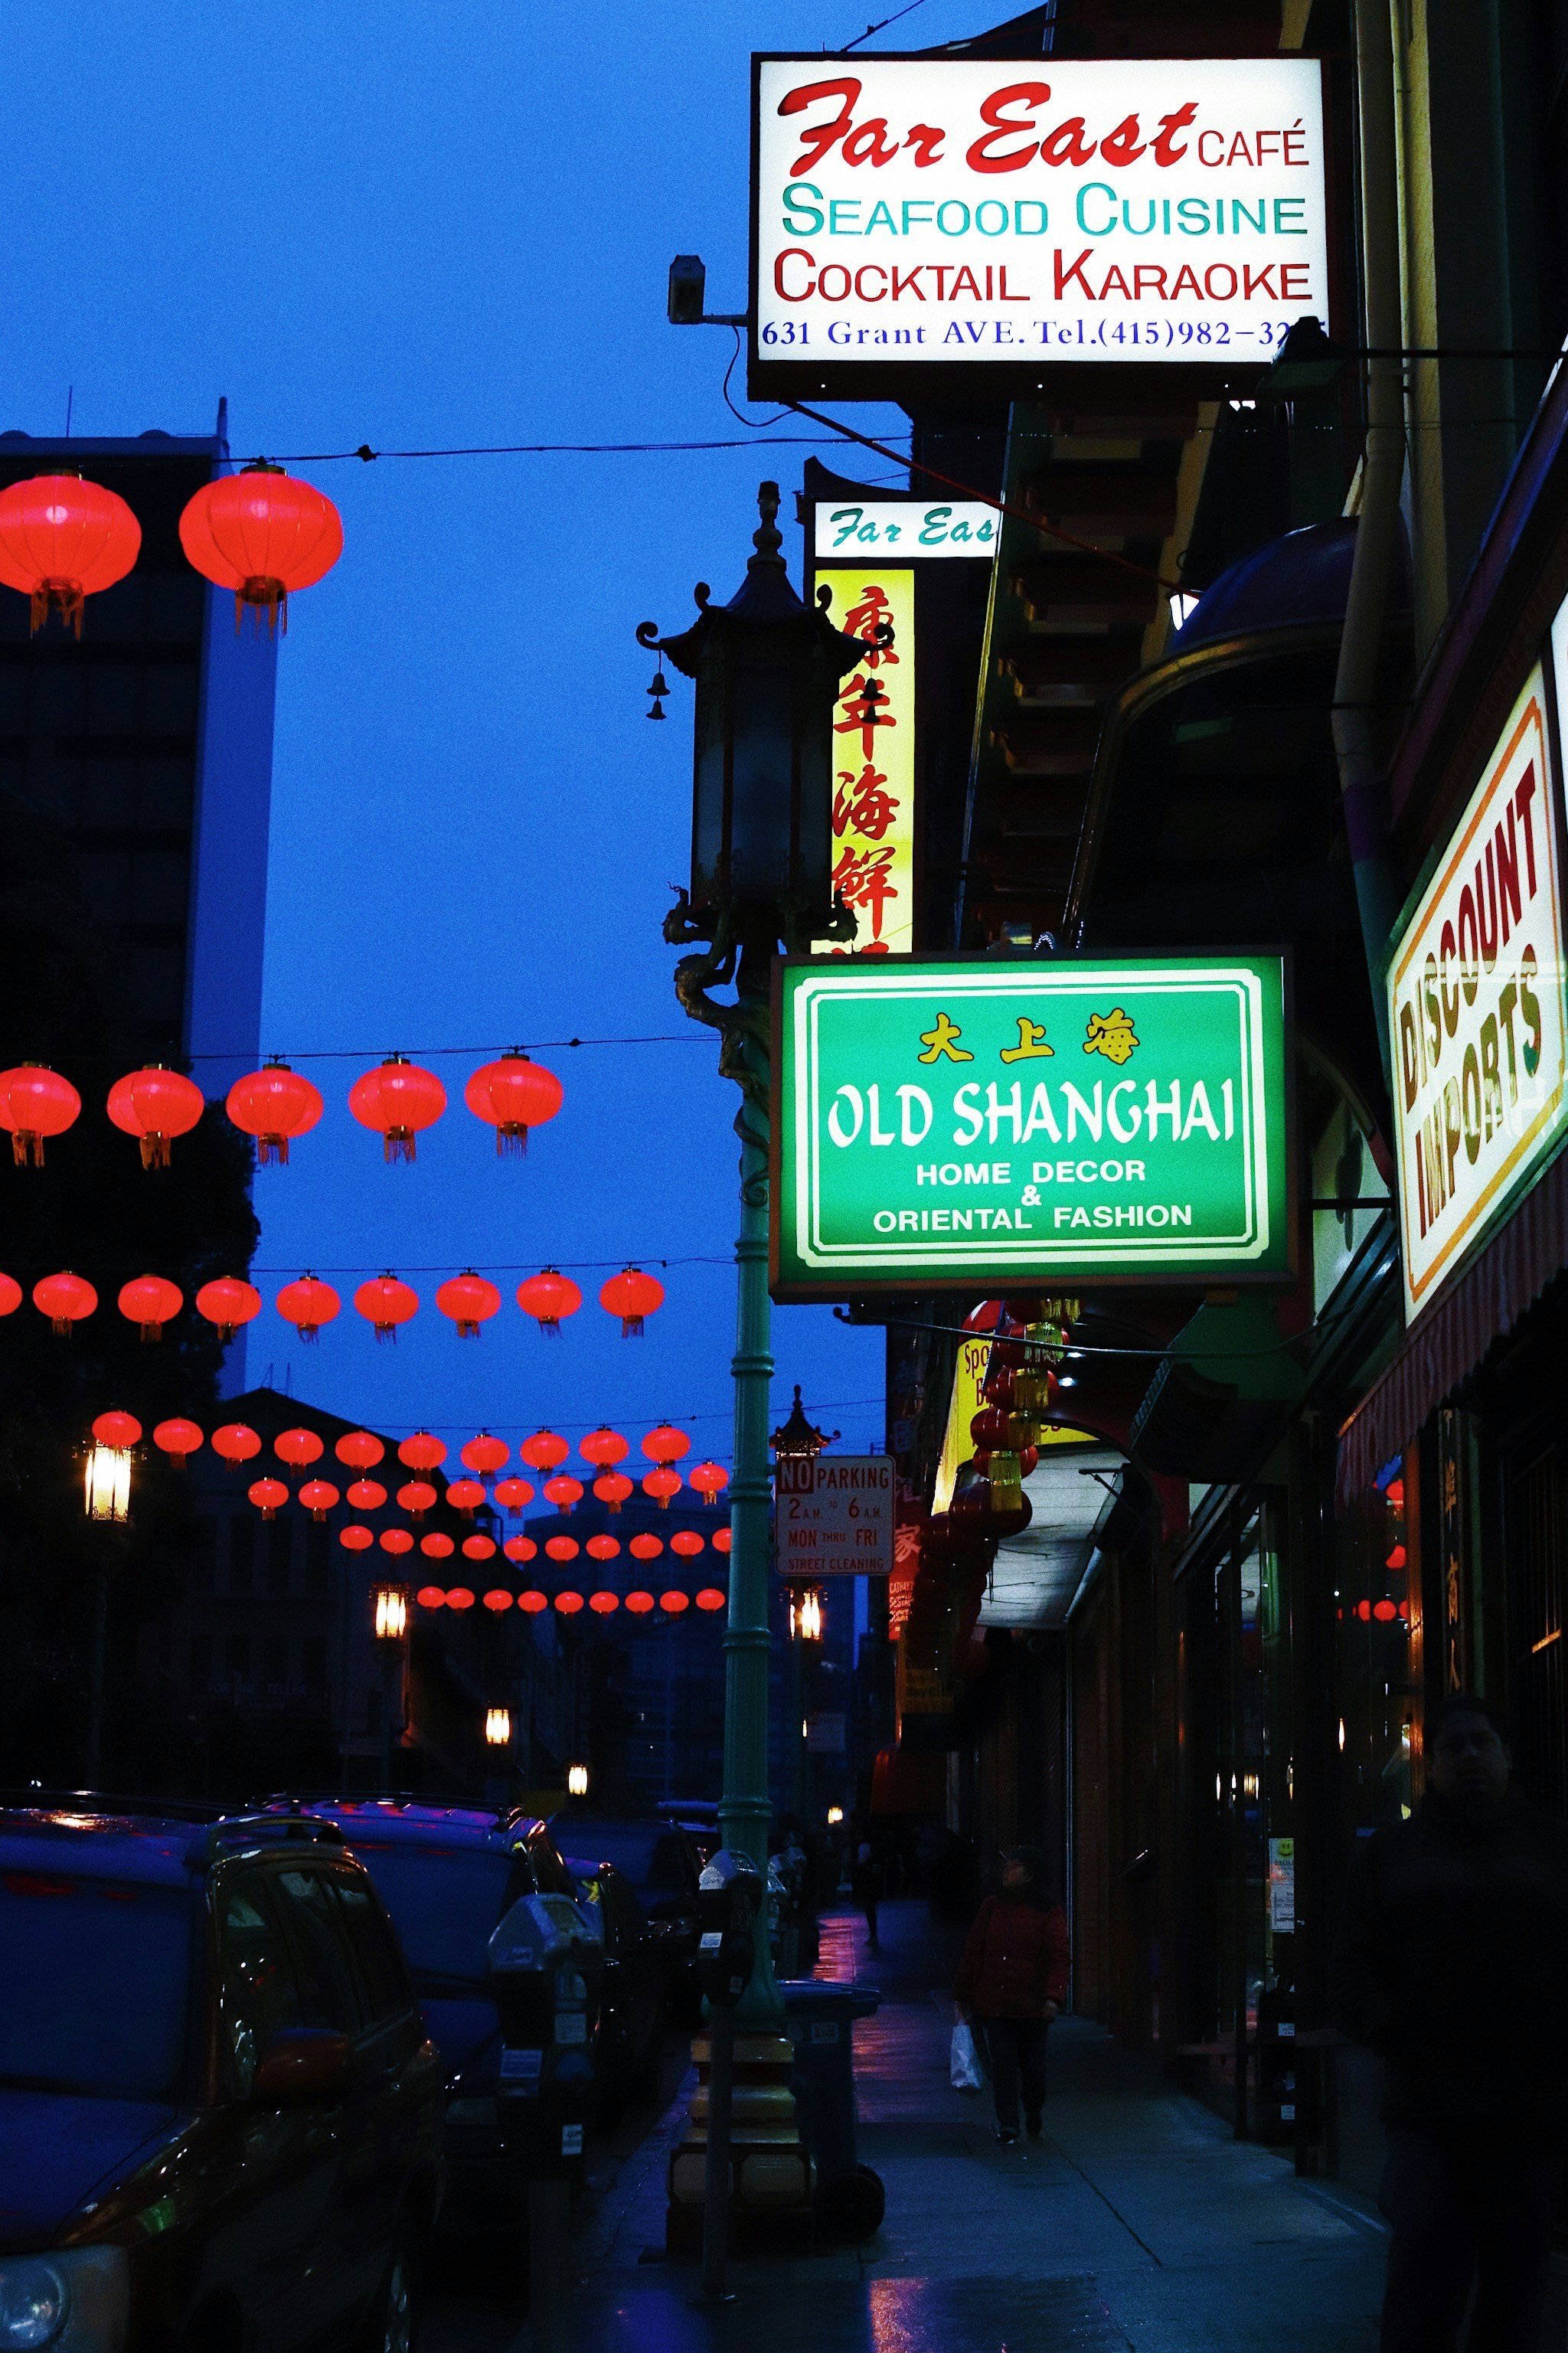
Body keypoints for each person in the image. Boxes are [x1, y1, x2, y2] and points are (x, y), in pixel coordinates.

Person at [1330, 1692, 1568, 2353]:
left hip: (1525, 2115)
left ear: (1507, 1754)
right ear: (1428, 1763)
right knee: (1424, 2294)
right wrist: (1404, 2033)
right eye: (1452, 1745)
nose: (1468, 1755)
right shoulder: (1390, 1858)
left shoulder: (1552, 1850)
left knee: (1514, 2299)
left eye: (1481, 1742)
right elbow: (1352, 1969)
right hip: (1430, 2115)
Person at [954, 1846, 1070, 2145]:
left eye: (1013, 1866)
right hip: (997, 2004)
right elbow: (973, 1951)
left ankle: (1033, 2110)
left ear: (1029, 1874)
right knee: (1003, 2068)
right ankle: (1008, 2123)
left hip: (1032, 2007)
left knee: (1034, 2069)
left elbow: (1059, 1956)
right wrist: (962, 1996)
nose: (1006, 1872)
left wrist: (1052, 1997)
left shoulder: (1047, 1911)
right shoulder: (992, 1907)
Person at [852, 1831, 883, 1945]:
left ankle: (873, 1935)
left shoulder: (863, 1847)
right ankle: (874, 1935)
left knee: (869, 1908)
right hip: (875, 1880)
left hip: (867, 1880)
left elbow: (862, 1862)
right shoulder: (875, 1847)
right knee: (872, 1908)